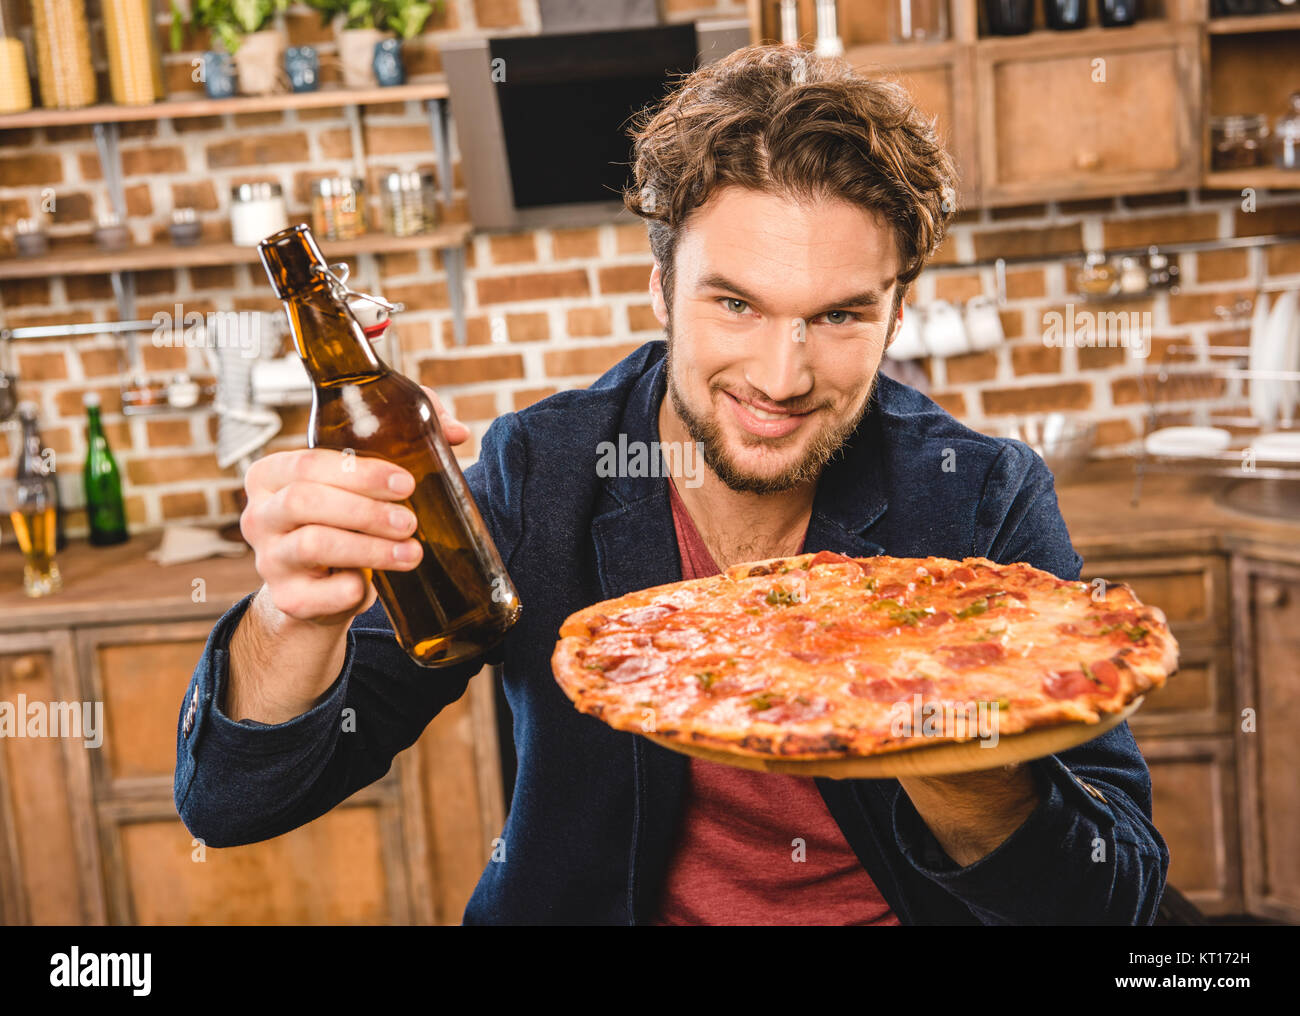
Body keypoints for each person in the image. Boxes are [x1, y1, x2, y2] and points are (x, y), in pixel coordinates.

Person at [175, 44, 1168, 925]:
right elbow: (230, 800)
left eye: (837, 316)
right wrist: (296, 614)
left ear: (896, 313)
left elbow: (1109, 898)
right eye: (734, 303)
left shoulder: (977, 497)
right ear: (659, 288)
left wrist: (954, 733)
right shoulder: (542, 471)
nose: (781, 376)